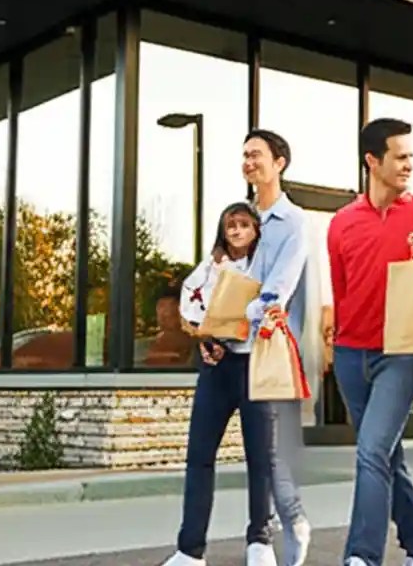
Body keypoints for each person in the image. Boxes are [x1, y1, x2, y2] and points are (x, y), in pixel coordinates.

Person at [327, 118, 413, 566]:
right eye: (400, 157)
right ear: (372, 161)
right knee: (386, 456)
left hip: (403, 353)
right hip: (350, 355)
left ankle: (361, 556)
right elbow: (341, 291)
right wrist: (336, 345)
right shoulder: (341, 223)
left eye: (411, 156)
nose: (408, 165)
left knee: (371, 451)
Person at [163, 200, 277, 566]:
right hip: (218, 368)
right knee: (199, 456)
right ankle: (190, 549)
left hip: (255, 366)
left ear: (256, 230)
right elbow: (194, 309)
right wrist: (205, 341)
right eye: (231, 225)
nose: (237, 231)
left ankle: (260, 541)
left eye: (244, 224)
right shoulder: (210, 268)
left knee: (260, 458)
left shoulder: (268, 267)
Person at [241, 129, 315, 566]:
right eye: (244, 156)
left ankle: (292, 520)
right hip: (234, 346)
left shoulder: (295, 222)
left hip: (269, 346)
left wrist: (241, 310)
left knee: (270, 449)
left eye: (256, 154)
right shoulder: (240, 218)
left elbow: (277, 290)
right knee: (257, 448)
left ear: (279, 163)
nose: (248, 162)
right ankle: (263, 536)